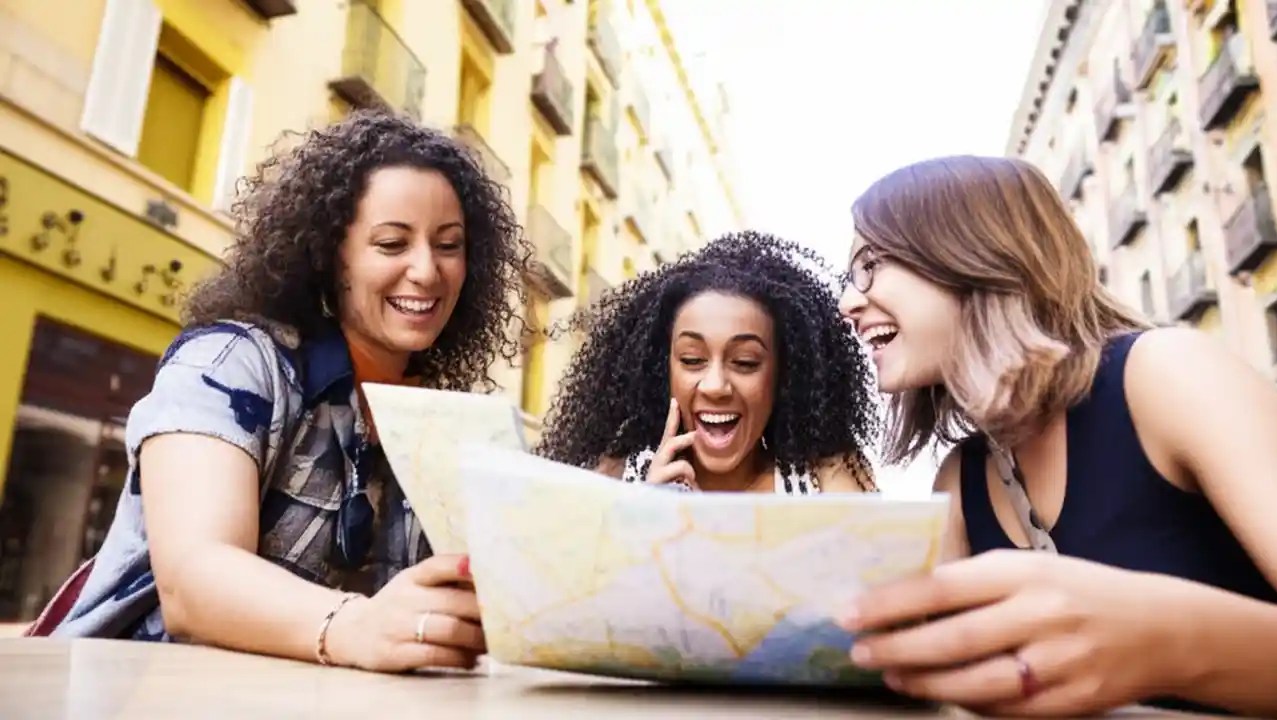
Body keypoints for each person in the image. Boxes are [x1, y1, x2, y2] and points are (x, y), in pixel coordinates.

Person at [34, 110, 532, 674]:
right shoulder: (229, 364)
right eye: (392, 243)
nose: (427, 270)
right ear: (329, 252)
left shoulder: (444, 424)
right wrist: (350, 625)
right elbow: (193, 578)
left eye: (449, 245)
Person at [834, 155, 1277, 717]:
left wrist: (1166, 641)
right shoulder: (960, 480)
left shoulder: (1168, 374)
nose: (849, 302)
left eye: (870, 265)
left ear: (974, 252)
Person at [537, 231, 879, 493]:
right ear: (663, 370)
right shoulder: (613, 478)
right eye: (692, 359)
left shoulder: (829, 479)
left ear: (784, 377)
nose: (716, 385)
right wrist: (642, 517)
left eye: (745, 362)